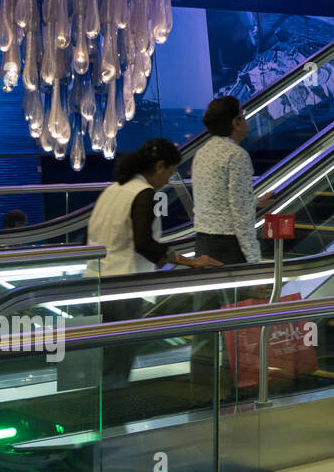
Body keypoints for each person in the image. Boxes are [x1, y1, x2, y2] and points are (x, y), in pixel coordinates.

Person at [86, 138, 221, 387]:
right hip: (124, 288)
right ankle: (115, 417)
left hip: (93, 283)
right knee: (118, 362)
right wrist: (188, 262)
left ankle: (98, 416)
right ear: (160, 166)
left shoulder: (113, 189)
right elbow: (143, 242)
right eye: (170, 172)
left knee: (101, 361)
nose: (169, 180)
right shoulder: (143, 193)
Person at [192, 96, 266, 267]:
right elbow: (241, 214)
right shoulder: (236, 156)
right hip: (228, 247)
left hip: (203, 243)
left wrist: (254, 201)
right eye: (243, 114)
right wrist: (254, 260)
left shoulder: (202, 153)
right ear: (236, 122)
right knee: (237, 294)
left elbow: (216, 196)